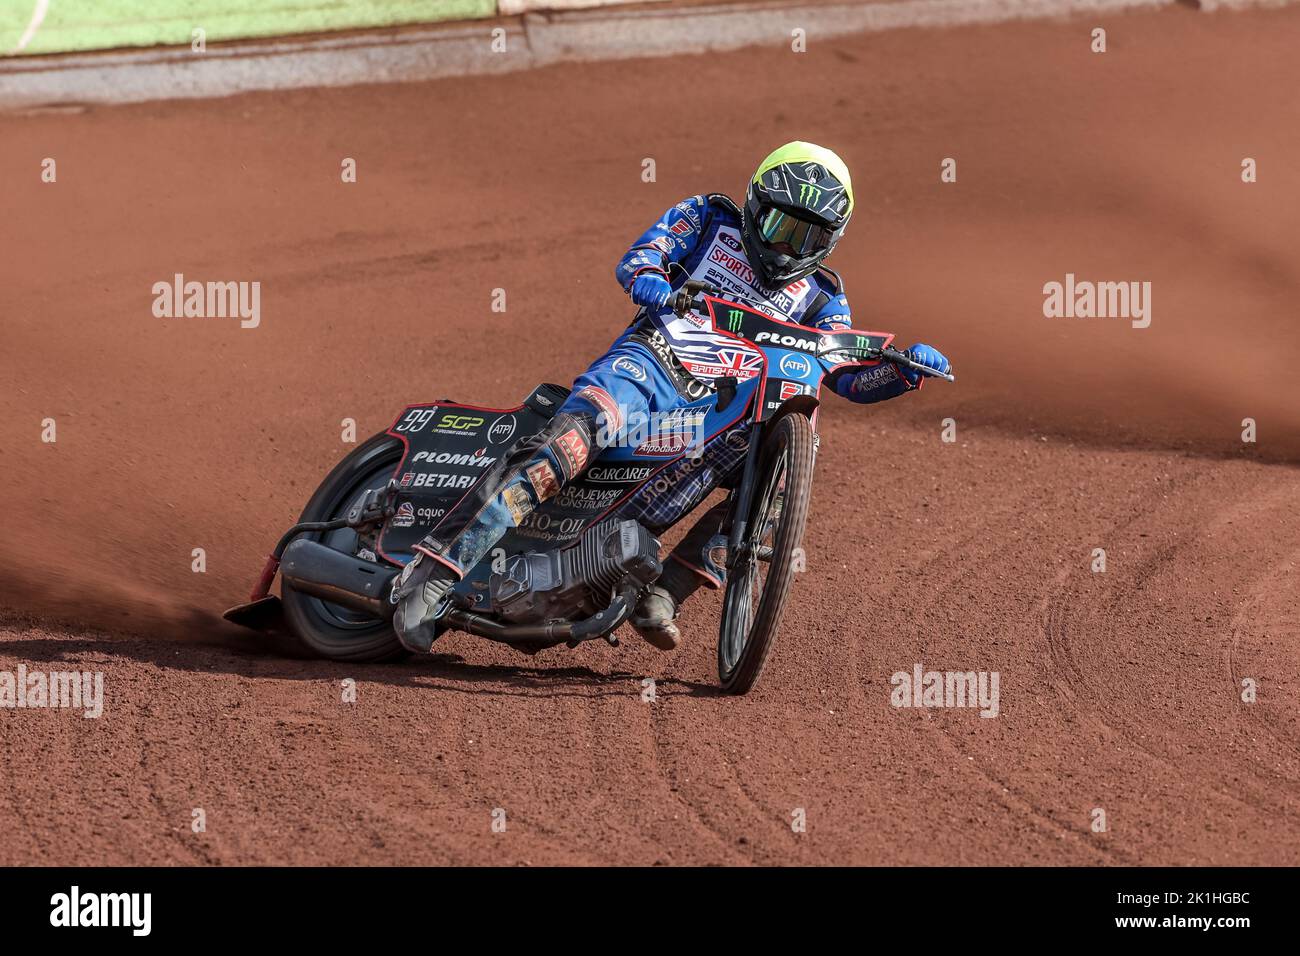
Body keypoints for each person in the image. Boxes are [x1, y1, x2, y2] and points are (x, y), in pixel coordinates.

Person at [393, 142, 950, 653]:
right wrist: (657, 285)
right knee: (571, 440)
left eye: (805, 237)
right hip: (652, 363)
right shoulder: (709, 217)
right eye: (779, 226)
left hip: (716, 412)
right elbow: (639, 259)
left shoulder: (823, 294)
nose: (786, 248)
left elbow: (846, 376)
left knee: (782, 475)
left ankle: (668, 590)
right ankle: (438, 571)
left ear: (830, 240)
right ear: (756, 206)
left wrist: (905, 373)